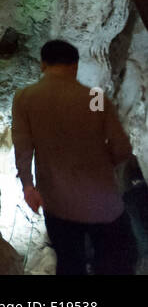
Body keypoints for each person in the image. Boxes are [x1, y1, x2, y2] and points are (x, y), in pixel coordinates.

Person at [12, 39, 137, 274]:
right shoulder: (95, 98)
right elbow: (122, 148)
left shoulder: (25, 98)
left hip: (58, 202)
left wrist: (28, 186)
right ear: (75, 66)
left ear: (43, 65)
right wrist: (103, 162)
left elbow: (23, 147)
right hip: (102, 200)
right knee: (114, 263)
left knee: (70, 264)